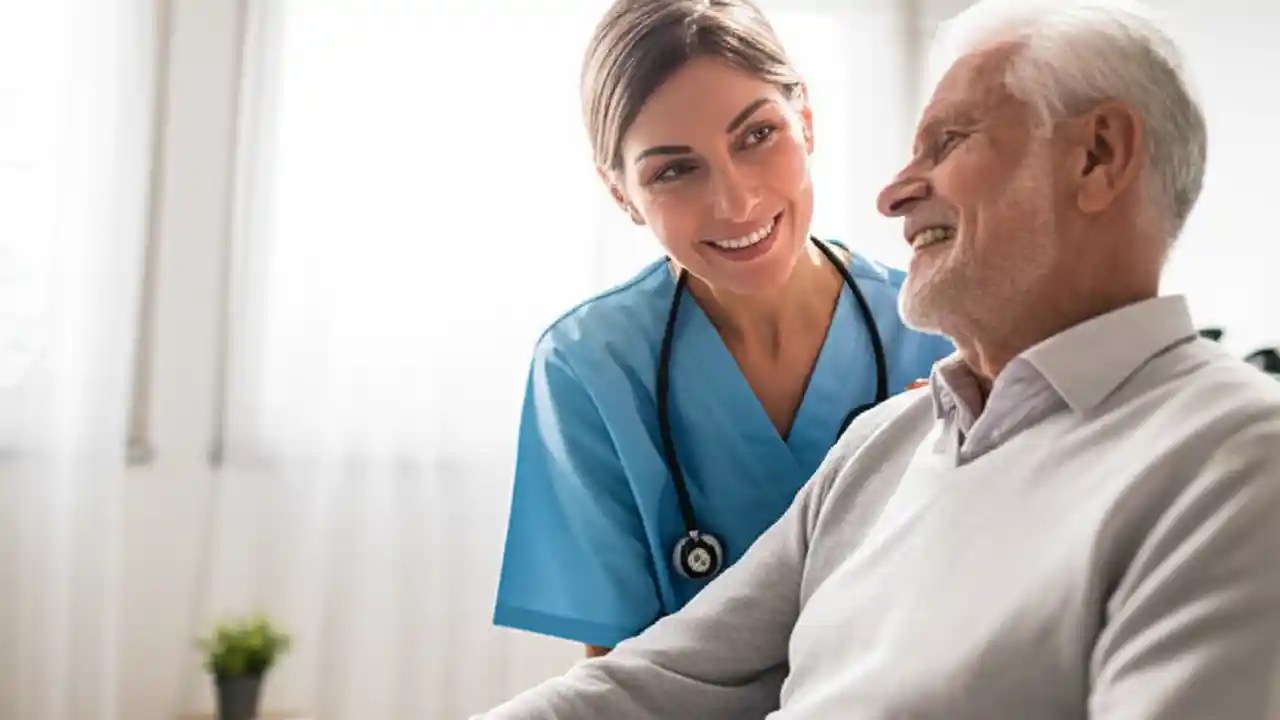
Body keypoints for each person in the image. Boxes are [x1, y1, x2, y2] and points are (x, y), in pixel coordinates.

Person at [476, 0, 1280, 717]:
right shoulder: (887, 440)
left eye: (950, 141)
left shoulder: (1232, 460)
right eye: (677, 168)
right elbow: (646, 685)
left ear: (1097, 155)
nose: (891, 193)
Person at [493, 0, 954, 657]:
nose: (736, 202)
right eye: (675, 170)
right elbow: (614, 679)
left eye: (758, 135)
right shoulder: (590, 366)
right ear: (621, 194)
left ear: (808, 123)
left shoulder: (941, 329)